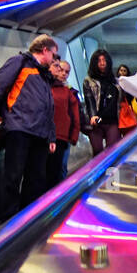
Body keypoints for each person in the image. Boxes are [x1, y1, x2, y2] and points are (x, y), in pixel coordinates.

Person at [0, 34, 57, 218]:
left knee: (36, 179)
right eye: (54, 55)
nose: (54, 60)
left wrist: (51, 136)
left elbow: (48, 108)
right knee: (13, 176)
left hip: (40, 134)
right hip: (20, 129)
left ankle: (27, 218)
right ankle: (9, 220)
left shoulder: (44, 75)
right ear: (45, 51)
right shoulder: (20, 63)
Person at [45, 59, 81, 188]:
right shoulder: (43, 86)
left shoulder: (68, 92)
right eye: (60, 69)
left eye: (66, 72)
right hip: (41, 135)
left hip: (60, 136)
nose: (63, 73)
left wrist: (73, 135)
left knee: (58, 170)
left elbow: (75, 114)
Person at [82, 49, 122, 155]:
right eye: (99, 61)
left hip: (112, 120)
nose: (102, 63)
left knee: (111, 150)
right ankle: (98, 171)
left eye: (104, 60)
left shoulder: (116, 82)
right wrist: (93, 116)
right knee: (97, 150)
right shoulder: (89, 80)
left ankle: (111, 171)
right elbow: (89, 99)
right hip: (97, 120)